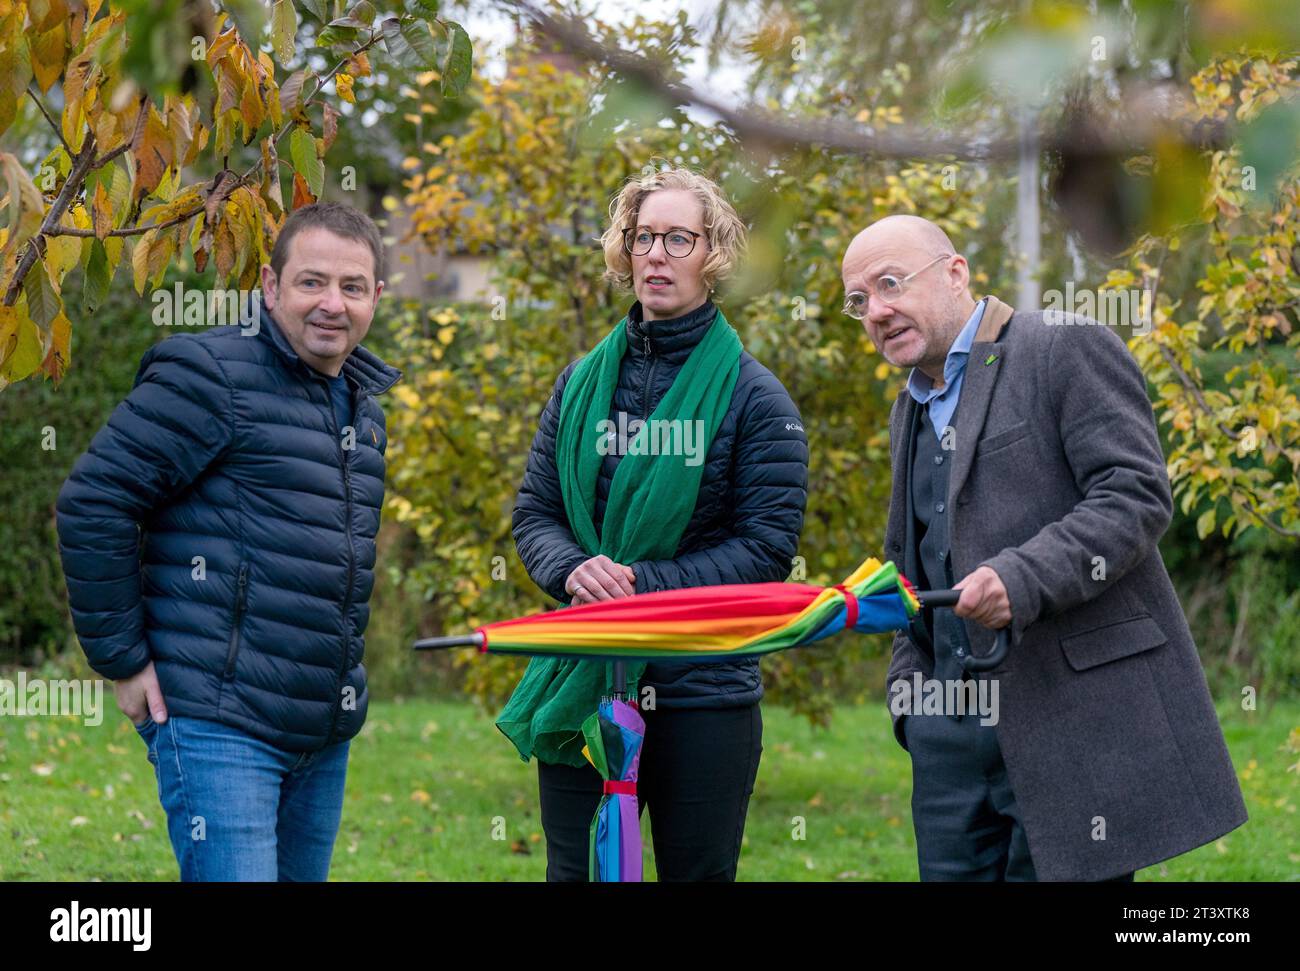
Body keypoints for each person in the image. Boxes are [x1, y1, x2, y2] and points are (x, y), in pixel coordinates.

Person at [843, 213, 1247, 881]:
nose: (877, 311)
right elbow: (910, 565)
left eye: (891, 283)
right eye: (860, 300)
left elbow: (1135, 494)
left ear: (955, 273)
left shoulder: (1063, 344)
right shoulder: (906, 408)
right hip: (947, 745)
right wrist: (910, 703)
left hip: (1070, 726)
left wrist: (1019, 578)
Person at [55, 202, 401, 881]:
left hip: (322, 734)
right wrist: (122, 660)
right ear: (271, 289)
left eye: (352, 286)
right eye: (312, 282)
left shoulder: (364, 407)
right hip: (217, 721)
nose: (332, 303)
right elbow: (94, 499)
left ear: (376, 298)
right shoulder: (210, 373)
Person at [498, 167, 809, 881]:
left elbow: (764, 551)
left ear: (714, 254)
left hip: (702, 692)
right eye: (643, 238)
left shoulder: (755, 398)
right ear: (624, 251)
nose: (658, 254)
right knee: (576, 873)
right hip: (586, 674)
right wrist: (573, 568)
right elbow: (536, 512)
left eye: (678, 237)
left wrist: (640, 582)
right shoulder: (581, 383)